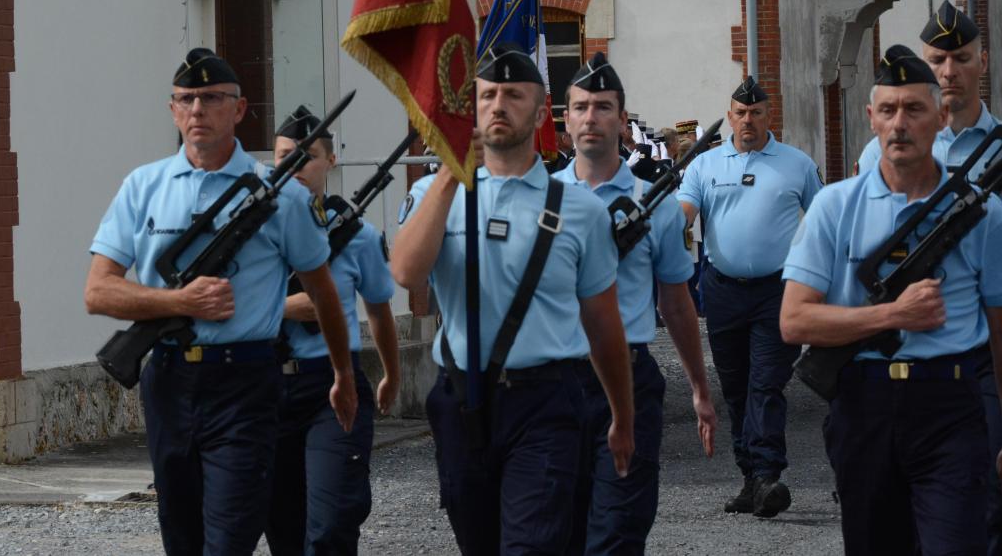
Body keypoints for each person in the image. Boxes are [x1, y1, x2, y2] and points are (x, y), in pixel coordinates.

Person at [84, 48, 357, 555]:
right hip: (168, 381)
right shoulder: (143, 186)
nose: (197, 110)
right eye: (186, 99)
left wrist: (342, 374)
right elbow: (98, 291)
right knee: (181, 535)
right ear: (171, 110)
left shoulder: (284, 199)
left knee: (229, 538)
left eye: (211, 98)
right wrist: (178, 300)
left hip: (246, 382)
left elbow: (324, 292)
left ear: (239, 109)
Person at [389, 42, 635, 555]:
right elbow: (407, 273)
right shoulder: (440, 197)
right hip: (460, 399)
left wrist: (622, 416)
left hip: (544, 399)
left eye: (514, 95)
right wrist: (449, 177)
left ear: (543, 111)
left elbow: (604, 325)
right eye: (487, 95)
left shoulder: (581, 211)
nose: (498, 105)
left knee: (533, 544)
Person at [781, 44, 1002, 555]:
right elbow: (794, 320)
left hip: (950, 404)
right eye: (888, 110)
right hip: (863, 405)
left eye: (914, 109)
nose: (900, 123)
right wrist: (893, 314)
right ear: (869, 118)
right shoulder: (834, 207)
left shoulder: (984, 216)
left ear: (941, 117)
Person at [855, 1, 1002, 555]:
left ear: (982, 60)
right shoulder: (879, 150)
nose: (949, 71)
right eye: (938, 58)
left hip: (991, 339)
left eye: (961, 58)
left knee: (999, 493)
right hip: (906, 338)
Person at [555, 53, 717, 554]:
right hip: (553, 381)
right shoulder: (539, 198)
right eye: (580, 107)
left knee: (619, 527)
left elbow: (675, 303)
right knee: (554, 526)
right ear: (565, 119)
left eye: (603, 107)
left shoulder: (659, 204)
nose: (590, 117)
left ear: (623, 121)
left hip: (628, 375)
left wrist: (698, 388)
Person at [677, 75, 823, 517]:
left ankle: (767, 473)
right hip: (722, 290)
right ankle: (750, 477)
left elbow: (823, 221)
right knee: (736, 387)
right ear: (729, 117)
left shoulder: (796, 164)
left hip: (777, 292)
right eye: (740, 113)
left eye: (756, 112)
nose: (748, 121)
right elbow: (684, 213)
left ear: (769, 116)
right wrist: (661, 225)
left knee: (766, 383)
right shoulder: (704, 166)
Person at [264, 107, 402, 555]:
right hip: (265, 385)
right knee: (282, 524)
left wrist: (391, 374)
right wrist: (287, 307)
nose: (294, 167)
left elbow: (379, 311)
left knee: (332, 522)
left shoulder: (356, 234)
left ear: (331, 161)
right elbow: (222, 301)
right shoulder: (252, 229)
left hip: (331, 382)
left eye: (306, 157)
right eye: (284, 156)